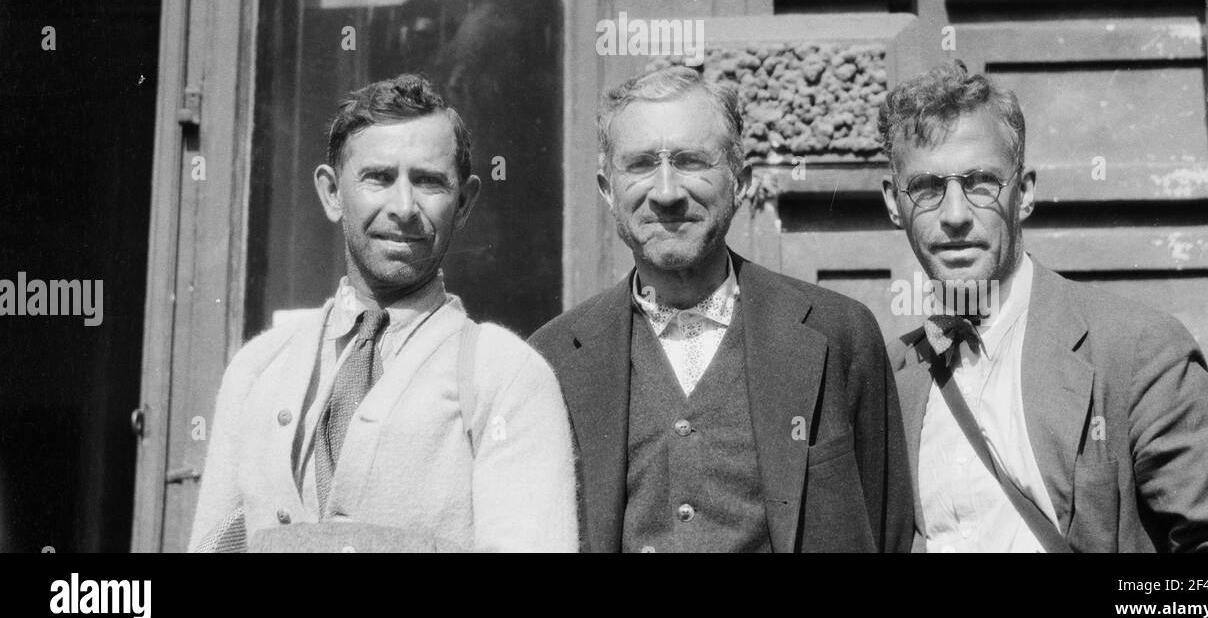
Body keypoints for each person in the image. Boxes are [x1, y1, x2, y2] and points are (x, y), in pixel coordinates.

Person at [881, 61, 1208, 552]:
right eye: (927, 188)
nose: (954, 216)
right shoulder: (889, 378)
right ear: (894, 203)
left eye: (980, 183)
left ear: (1025, 193)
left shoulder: (1134, 351)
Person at [529, 66, 912, 552]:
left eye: (691, 162)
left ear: (741, 181)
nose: (666, 192)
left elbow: (889, 531)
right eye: (642, 165)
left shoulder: (839, 336)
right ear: (607, 190)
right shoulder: (553, 360)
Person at [189, 73, 577, 552]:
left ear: (464, 204)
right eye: (378, 177)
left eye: (429, 182)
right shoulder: (258, 369)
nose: (404, 206)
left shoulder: (506, 376)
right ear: (332, 193)